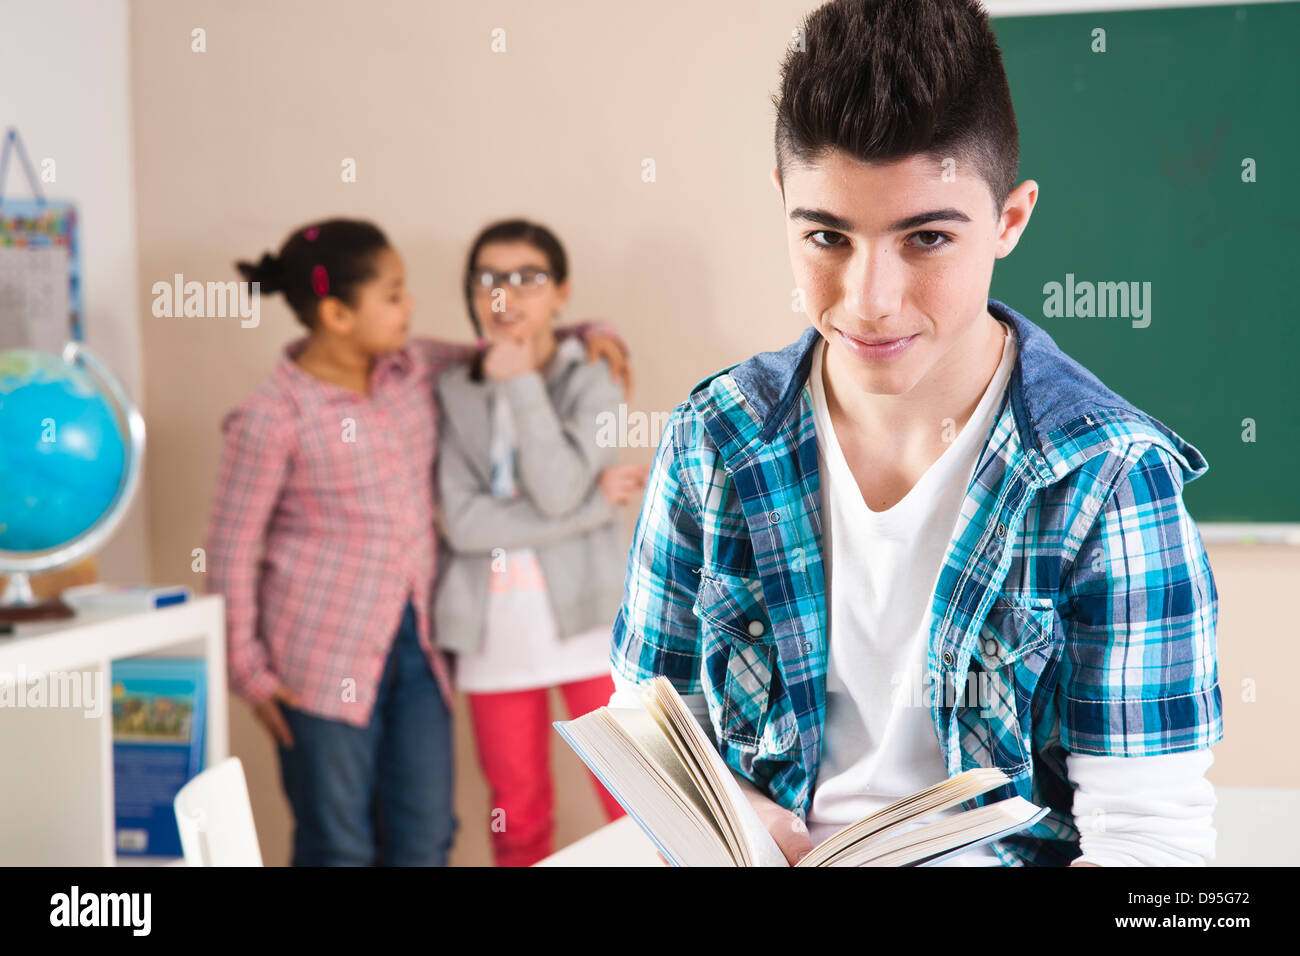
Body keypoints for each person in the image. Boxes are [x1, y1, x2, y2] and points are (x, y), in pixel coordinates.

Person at [609, 0, 1222, 867]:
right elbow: (648, 719)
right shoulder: (714, 439)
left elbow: (1151, 845)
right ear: (783, 205)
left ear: (1010, 220)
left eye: (927, 237)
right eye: (826, 235)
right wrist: (742, 814)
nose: (870, 300)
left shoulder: (1107, 478)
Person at [205, 218, 630, 866]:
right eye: (395, 295)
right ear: (338, 314)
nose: (411, 307)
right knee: (339, 841)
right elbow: (229, 550)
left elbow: (520, 337)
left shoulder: (413, 368)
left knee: (427, 835)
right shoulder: (273, 416)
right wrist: (250, 676)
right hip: (320, 660)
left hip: (420, 650)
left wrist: (595, 333)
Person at [433, 219, 644, 867]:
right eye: (489, 279)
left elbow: (554, 489)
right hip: (491, 633)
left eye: (528, 277)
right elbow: (463, 525)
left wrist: (523, 381)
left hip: (587, 621)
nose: (507, 294)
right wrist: (589, 511)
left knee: (634, 806)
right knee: (516, 816)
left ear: (562, 291)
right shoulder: (450, 387)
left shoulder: (593, 380)